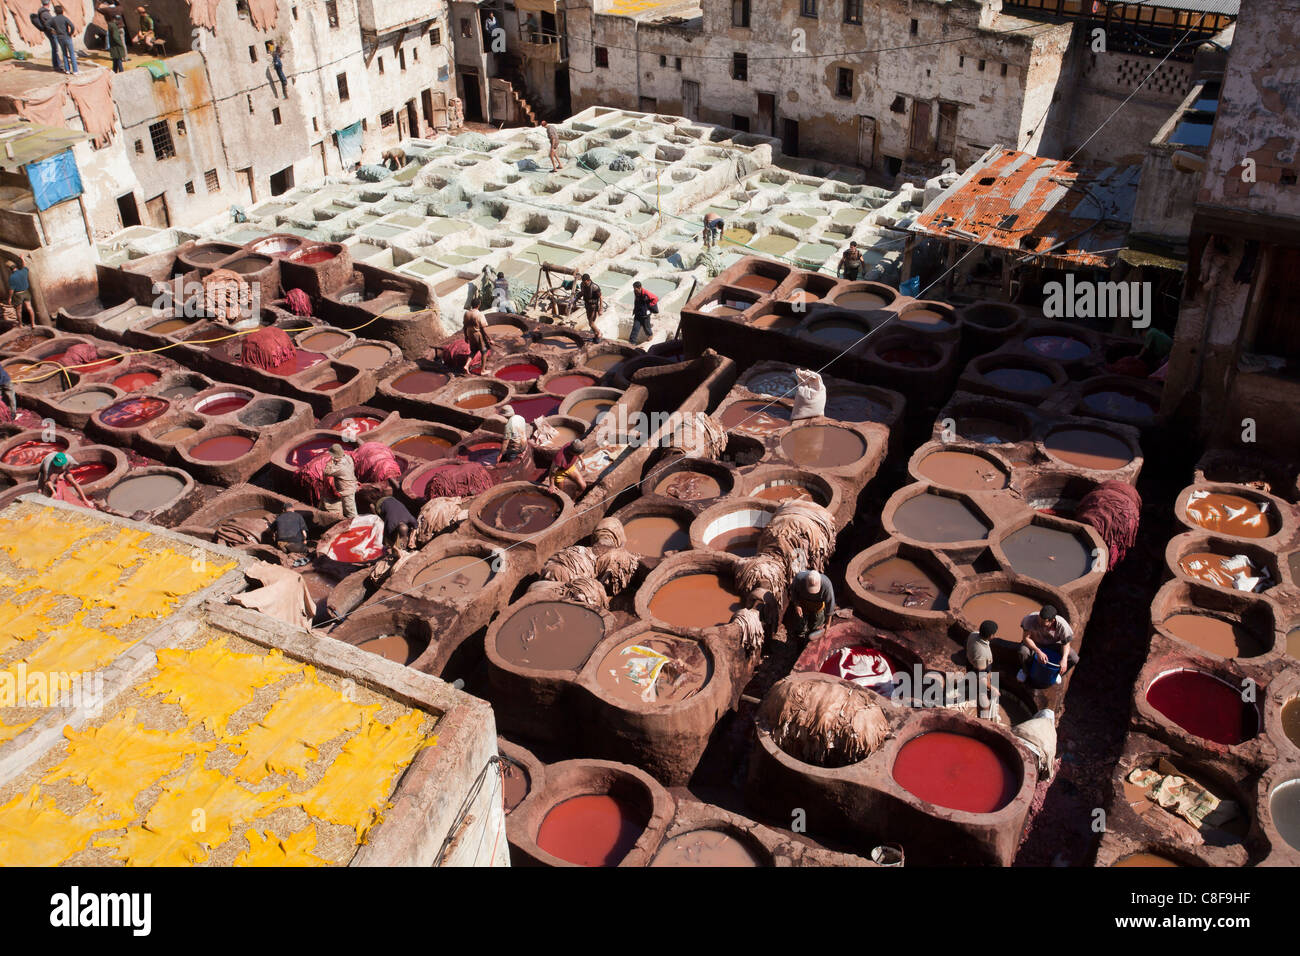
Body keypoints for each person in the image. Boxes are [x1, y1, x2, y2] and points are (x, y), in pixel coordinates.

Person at [1017, 604, 1077, 685]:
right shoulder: (1030, 619)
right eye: (1039, 619)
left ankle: (1057, 674)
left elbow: (1066, 644)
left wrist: (1064, 659)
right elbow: (1026, 638)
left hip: (1052, 645)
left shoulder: (1062, 625)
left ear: (1052, 621)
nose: (1040, 622)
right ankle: (1025, 671)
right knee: (1023, 651)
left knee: (1073, 658)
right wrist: (1038, 651)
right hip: (1035, 643)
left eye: (1043, 622)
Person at [966, 619, 998, 719]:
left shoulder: (973, 634)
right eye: (994, 634)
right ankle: (983, 720)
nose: (995, 636)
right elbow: (981, 676)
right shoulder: (982, 653)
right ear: (991, 636)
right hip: (977, 671)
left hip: (972, 662)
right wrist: (992, 688)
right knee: (983, 697)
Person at [790, 569, 835, 641]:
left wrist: (828, 623)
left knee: (816, 628)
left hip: (818, 607)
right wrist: (797, 605)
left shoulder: (826, 584)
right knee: (801, 627)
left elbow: (830, 604)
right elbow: (793, 592)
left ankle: (810, 640)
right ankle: (801, 641)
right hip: (803, 605)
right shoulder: (799, 579)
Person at [323, 444, 358, 519]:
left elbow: (326, 472)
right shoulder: (348, 458)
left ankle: (354, 524)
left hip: (347, 490)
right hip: (351, 486)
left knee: (351, 512)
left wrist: (330, 463)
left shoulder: (340, 467)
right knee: (348, 508)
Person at [31, 1, 62, 74]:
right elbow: (50, 23)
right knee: (55, 49)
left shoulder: (43, 12)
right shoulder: (45, 13)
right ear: (48, 3)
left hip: (49, 32)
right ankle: (57, 65)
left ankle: (57, 65)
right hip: (51, 32)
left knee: (55, 48)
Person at [7, 257, 35, 329]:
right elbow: (24, 265)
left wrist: (9, 298)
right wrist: (22, 258)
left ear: (10, 269)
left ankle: (20, 325)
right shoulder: (24, 271)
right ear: (16, 267)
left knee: (19, 311)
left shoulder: (12, 277)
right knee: (29, 308)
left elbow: (11, 290)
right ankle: (33, 324)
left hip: (18, 295)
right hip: (26, 292)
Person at [629, 280, 659, 347]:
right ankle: (632, 343)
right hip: (638, 313)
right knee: (635, 328)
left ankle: (650, 335)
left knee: (646, 327)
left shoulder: (646, 293)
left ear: (640, 288)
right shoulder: (635, 292)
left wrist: (649, 305)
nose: (634, 290)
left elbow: (656, 298)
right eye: (634, 288)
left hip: (645, 315)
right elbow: (636, 300)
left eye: (635, 289)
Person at [574, 273, 603, 341]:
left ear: (588, 280)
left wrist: (600, 309)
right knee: (590, 322)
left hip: (594, 307)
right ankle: (596, 336)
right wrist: (575, 299)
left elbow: (601, 298)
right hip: (587, 305)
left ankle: (599, 333)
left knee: (591, 323)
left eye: (585, 281)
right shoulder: (582, 285)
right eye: (583, 281)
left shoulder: (595, 287)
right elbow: (582, 293)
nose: (584, 283)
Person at [462, 307, 491, 373]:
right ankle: (483, 371)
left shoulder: (466, 313)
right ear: (479, 305)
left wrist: (466, 336)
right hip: (477, 334)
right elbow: (483, 328)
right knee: (484, 351)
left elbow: (464, 326)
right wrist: (489, 338)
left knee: (473, 351)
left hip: (469, 333)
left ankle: (466, 365)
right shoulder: (479, 314)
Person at [51, 5, 77, 74]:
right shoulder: (64, 18)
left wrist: (53, 30)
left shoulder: (54, 19)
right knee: (71, 54)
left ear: (55, 12)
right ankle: (75, 71)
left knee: (64, 53)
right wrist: (70, 33)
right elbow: (72, 26)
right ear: (62, 11)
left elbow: (47, 24)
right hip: (67, 37)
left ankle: (67, 70)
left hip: (59, 38)